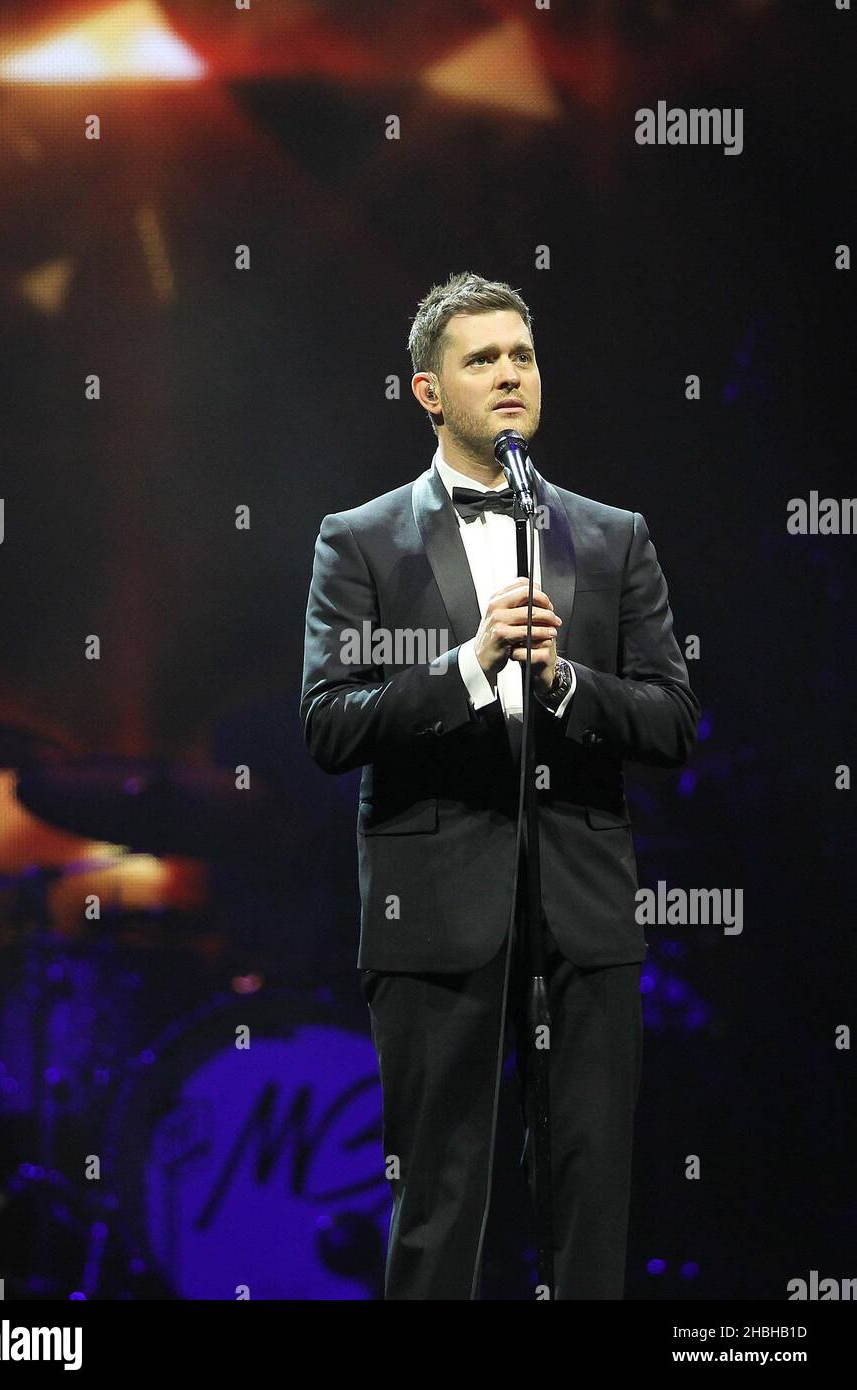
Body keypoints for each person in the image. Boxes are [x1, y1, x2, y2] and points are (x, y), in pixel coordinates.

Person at [300, 271, 699, 1299]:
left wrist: (566, 683)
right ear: (428, 390)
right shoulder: (360, 538)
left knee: (590, 1205)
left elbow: (670, 722)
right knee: (437, 1207)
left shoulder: (612, 537)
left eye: (521, 355)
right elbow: (327, 724)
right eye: (481, 359)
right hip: (433, 917)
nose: (509, 374)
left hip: (583, 917)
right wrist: (468, 666)